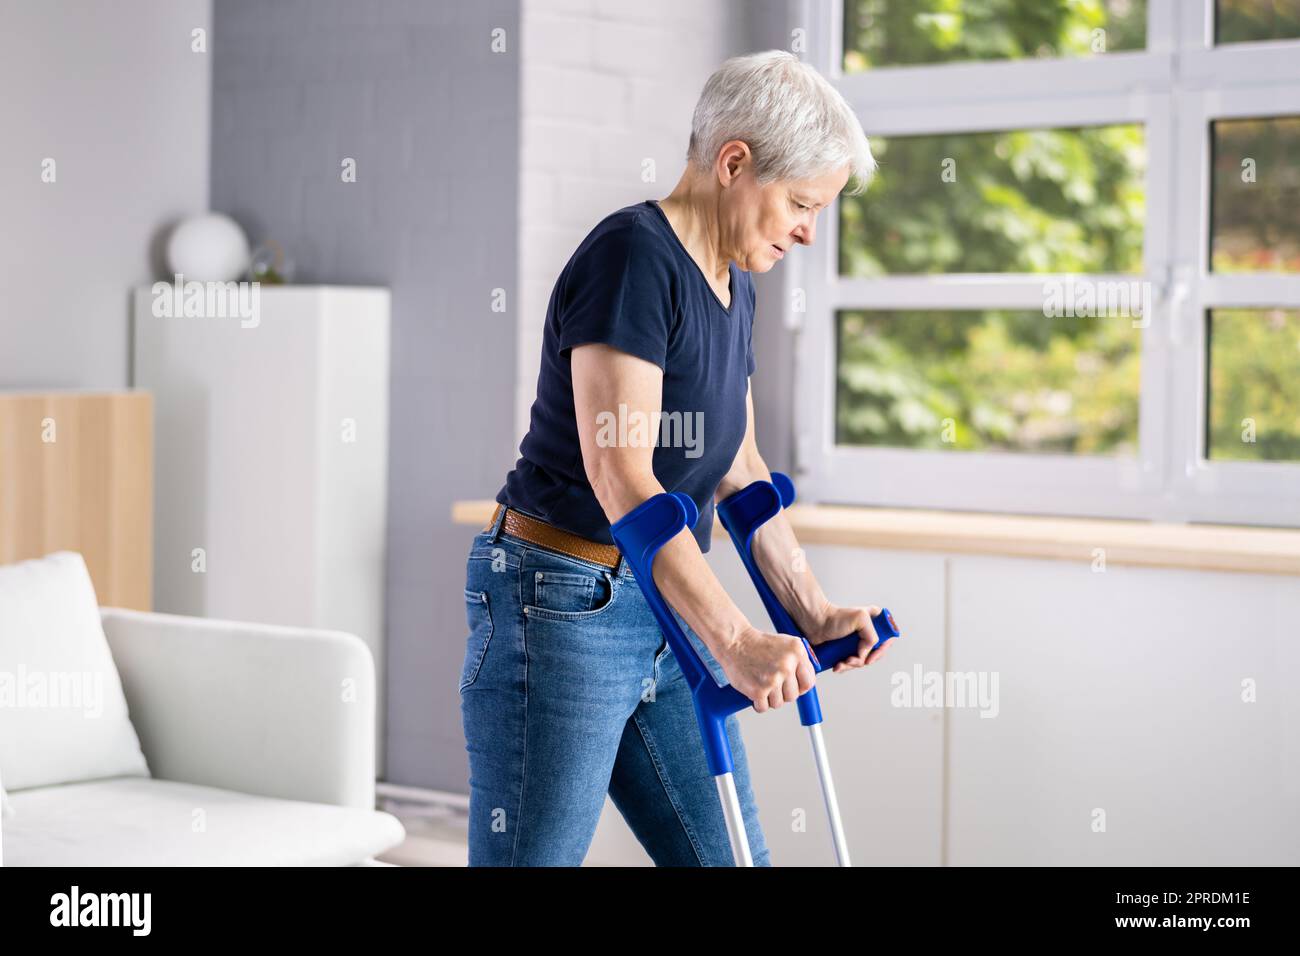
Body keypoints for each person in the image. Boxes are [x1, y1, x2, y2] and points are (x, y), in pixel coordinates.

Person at [459, 49, 887, 866]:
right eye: (800, 203)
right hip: (558, 603)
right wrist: (732, 639)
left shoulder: (736, 279)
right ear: (734, 163)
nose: (808, 229)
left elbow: (743, 472)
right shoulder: (632, 259)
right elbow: (622, 474)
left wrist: (813, 610)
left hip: (656, 609)